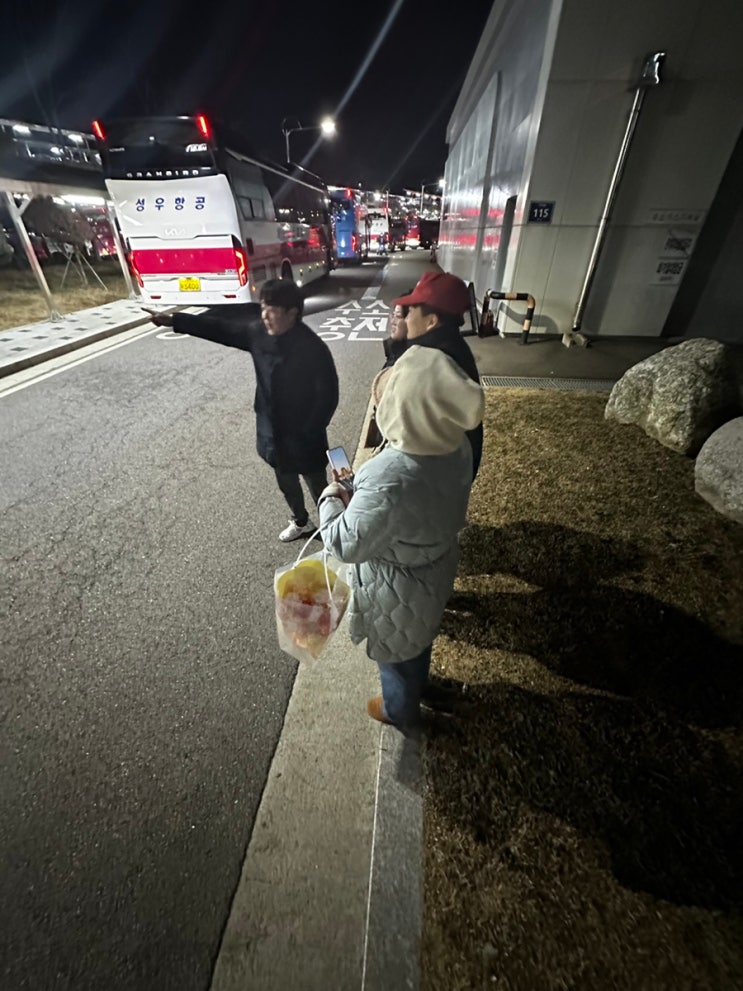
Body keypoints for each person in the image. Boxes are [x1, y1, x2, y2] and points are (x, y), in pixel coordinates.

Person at [318, 336, 485, 731]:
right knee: (419, 641)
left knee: (395, 656)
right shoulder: (455, 445)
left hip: (396, 588)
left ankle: (401, 711)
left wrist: (332, 494)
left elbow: (344, 542)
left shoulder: (387, 476)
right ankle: (420, 687)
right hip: (434, 571)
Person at [145, 280, 338, 542]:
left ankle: (333, 531)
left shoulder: (313, 348)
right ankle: (301, 521)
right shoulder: (258, 333)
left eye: (272, 310)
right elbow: (219, 328)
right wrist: (175, 321)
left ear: (292, 313)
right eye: (262, 308)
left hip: (305, 436)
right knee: (286, 482)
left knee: (319, 486)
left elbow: (328, 396)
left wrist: (309, 430)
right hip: (272, 431)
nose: (264, 315)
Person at [393, 270, 483, 479]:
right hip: (457, 468)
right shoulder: (455, 347)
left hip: (434, 476)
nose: (405, 319)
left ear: (431, 321)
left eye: (411, 312)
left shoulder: (428, 364)